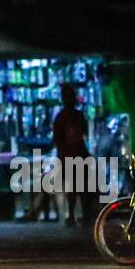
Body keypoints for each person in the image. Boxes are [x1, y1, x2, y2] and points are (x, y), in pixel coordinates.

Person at [52, 84, 90, 226]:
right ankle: (83, 216)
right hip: (78, 154)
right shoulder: (77, 116)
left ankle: (74, 216)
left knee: (74, 187)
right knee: (82, 187)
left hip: (69, 155)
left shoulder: (60, 117)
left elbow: (57, 139)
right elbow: (83, 133)